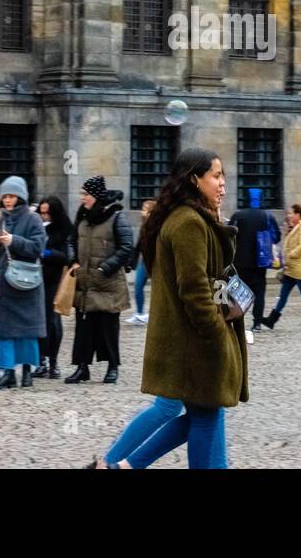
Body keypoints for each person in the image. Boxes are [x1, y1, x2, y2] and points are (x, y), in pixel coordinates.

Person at [107, 148, 247, 469]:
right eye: (216, 175)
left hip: (190, 340)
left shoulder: (192, 218)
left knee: (207, 415)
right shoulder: (187, 223)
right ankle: (121, 466)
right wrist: (216, 337)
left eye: (223, 175)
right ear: (195, 179)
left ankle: (122, 466)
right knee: (206, 417)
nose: (223, 183)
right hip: (195, 343)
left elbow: (214, 276)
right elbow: (195, 291)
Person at [65, 176, 134, 384]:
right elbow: (71, 239)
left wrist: (107, 266)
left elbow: (126, 247)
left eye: (85, 194)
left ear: (95, 196)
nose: (82, 198)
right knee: (83, 328)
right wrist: (73, 260)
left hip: (107, 283)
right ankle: (82, 367)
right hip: (85, 281)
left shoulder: (116, 217)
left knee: (108, 328)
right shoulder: (83, 216)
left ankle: (112, 366)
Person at [0, 178, 47, 389]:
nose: (8, 200)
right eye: (5, 196)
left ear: (20, 196)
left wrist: (13, 240)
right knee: (3, 330)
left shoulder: (33, 219)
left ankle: (27, 371)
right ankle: (8, 372)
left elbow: (37, 248)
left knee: (26, 330)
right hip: (4, 283)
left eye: (12, 196)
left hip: (26, 282)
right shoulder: (0, 218)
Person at [262, 204, 301, 332]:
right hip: (293, 268)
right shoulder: (297, 227)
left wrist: (290, 255)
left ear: (298, 214)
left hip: (300, 267)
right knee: (283, 294)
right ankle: (271, 320)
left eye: (291, 213)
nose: (289, 216)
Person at [228, 188, 280, 334]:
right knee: (259, 292)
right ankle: (257, 323)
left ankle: (235, 320)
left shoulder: (238, 215)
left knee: (237, 291)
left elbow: (228, 235)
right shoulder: (267, 216)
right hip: (260, 262)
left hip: (240, 261)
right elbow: (276, 237)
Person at [37, 195, 73, 379]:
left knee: (53, 321)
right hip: (36, 279)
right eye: (41, 212)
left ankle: (53, 361)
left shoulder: (63, 229)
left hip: (54, 279)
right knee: (38, 321)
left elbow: (67, 256)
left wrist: (47, 253)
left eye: (47, 213)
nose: (44, 216)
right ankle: (41, 360)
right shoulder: (36, 226)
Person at [127, 200, 155, 325]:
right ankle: (139, 313)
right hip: (144, 261)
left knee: (158, 290)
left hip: (155, 262)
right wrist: (132, 261)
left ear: (151, 211)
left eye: (144, 209)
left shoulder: (156, 225)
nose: (141, 211)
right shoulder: (144, 225)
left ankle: (155, 315)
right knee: (138, 286)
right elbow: (139, 244)